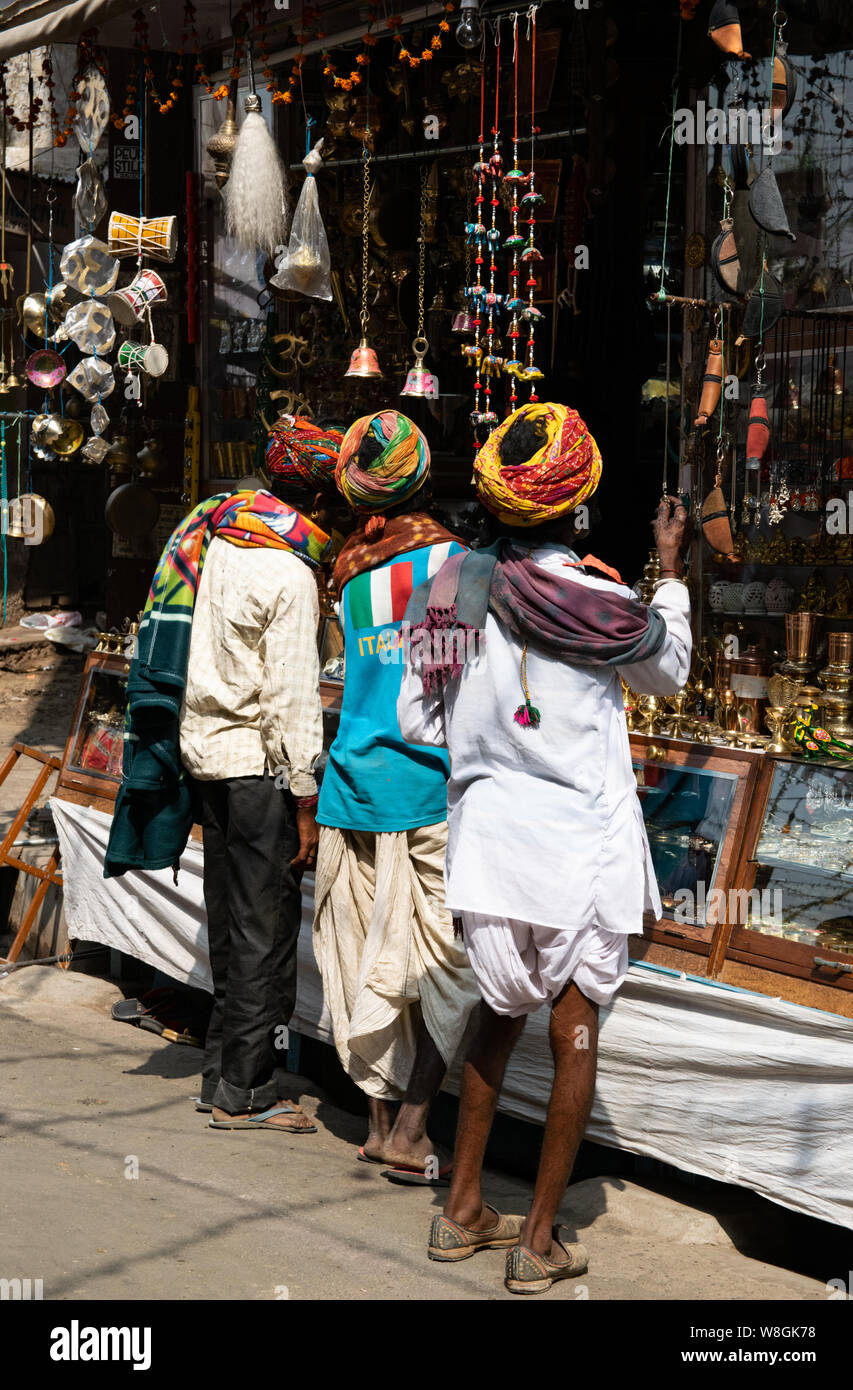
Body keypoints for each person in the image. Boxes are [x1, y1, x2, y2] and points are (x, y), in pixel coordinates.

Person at [398, 402, 691, 1291]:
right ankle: (538, 1243)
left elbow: (419, 715)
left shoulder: (452, 587)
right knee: (574, 1027)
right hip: (578, 843)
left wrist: (490, 739)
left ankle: (462, 1212)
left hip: (486, 840)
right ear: (579, 503)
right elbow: (667, 669)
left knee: (498, 1010)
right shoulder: (603, 599)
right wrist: (671, 572)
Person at [314, 409, 480, 1181]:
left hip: (349, 781)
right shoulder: (459, 565)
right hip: (429, 787)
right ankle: (412, 1130)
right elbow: (463, 691)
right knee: (445, 968)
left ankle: (378, 1126)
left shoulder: (346, 570)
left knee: (361, 957)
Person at [179, 416, 343, 1133]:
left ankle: (223, 1071)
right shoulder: (289, 571)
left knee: (230, 920)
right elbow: (292, 702)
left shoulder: (223, 542)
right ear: (319, 498)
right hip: (257, 771)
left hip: (210, 756)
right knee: (264, 927)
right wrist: (305, 797)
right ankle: (247, 1088)